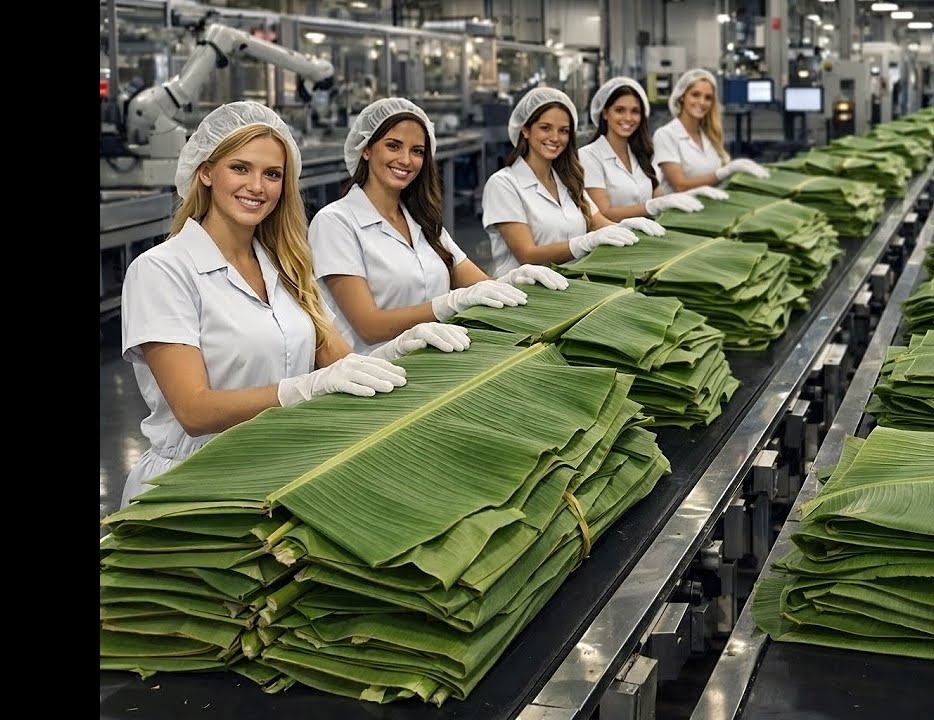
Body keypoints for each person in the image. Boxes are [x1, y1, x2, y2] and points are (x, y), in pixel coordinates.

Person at [118, 102, 465, 506]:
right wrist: (303, 389)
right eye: (240, 168)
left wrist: (403, 347)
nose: (257, 186)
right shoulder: (162, 270)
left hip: (276, 474)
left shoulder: (286, 267)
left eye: (272, 174)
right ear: (206, 172)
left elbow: (342, 364)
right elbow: (194, 410)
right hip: (192, 487)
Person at [308, 97, 567, 356]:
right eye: (393, 146)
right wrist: (447, 304)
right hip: (377, 372)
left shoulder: (422, 221)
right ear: (366, 149)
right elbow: (369, 326)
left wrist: (513, 282)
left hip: (440, 363)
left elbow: (478, 283)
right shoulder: (336, 222)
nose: (406, 160)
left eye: (417, 151)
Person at [482, 87, 662, 277]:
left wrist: (627, 228)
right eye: (545, 128)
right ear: (525, 130)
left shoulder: (568, 179)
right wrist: (582, 243)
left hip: (573, 284)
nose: (555, 138)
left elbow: (597, 223)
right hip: (526, 291)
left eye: (563, 131)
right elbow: (527, 255)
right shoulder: (503, 184)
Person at [580, 76, 728, 223]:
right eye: (620, 110)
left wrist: (693, 195)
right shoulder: (589, 155)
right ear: (605, 113)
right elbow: (603, 213)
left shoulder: (640, 154)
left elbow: (661, 199)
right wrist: (651, 207)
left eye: (635, 111)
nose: (628, 118)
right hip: (616, 237)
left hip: (649, 235)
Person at [652, 68, 770, 195]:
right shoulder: (665, 135)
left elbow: (717, 178)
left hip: (711, 205)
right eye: (695, 95)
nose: (702, 102)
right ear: (682, 97)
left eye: (708, 98)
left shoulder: (709, 135)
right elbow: (679, 186)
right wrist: (723, 172)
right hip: (680, 207)